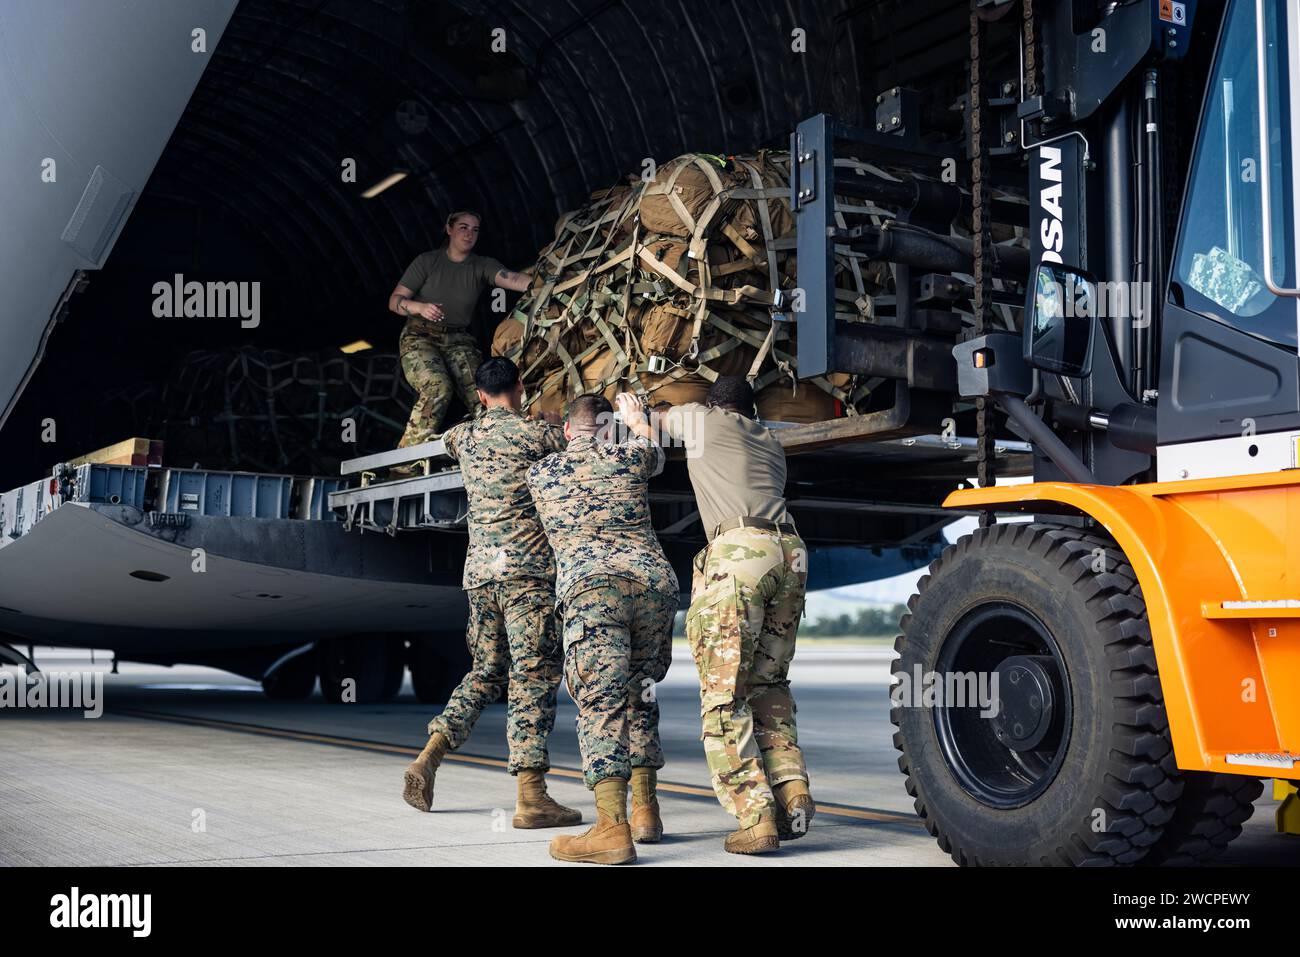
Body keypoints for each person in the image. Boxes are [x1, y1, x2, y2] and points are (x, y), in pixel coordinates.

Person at [402, 356, 581, 831]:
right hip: (528, 577)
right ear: (520, 387)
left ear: (480, 396)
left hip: (481, 574)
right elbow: (571, 439)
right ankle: (532, 797)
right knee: (532, 678)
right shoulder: (538, 437)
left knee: (484, 672)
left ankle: (429, 756)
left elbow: (447, 438)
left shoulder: (464, 437)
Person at [657, 375, 813, 855]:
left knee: (723, 696)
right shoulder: (770, 441)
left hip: (740, 554)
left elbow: (652, 426)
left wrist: (631, 411)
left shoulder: (702, 420)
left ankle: (755, 815)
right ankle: (791, 791)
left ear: (714, 404)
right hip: (790, 553)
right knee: (768, 684)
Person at [525, 393, 678, 865]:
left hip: (592, 592)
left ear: (568, 430)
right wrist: (636, 421)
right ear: (608, 427)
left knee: (600, 704)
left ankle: (612, 830)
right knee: (641, 693)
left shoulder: (541, 473)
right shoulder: (631, 455)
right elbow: (658, 452)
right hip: (653, 586)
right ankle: (646, 812)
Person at [387, 210, 532, 448]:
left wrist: (545, 283)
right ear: (449, 229)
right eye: (463, 227)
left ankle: (495, 447)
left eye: (475, 230)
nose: (469, 234)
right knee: (437, 386)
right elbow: (394, 301)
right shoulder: (427, 261)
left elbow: (513, 279)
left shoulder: (482, 265)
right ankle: (406, 461)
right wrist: (419, 307)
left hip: (457, 338)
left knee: (485, 391)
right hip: (420, 335)